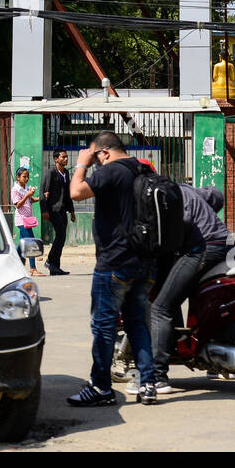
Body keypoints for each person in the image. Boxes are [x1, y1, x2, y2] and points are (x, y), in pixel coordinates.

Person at [66, 131, 156, 406]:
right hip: (144, 262)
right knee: (137, 324)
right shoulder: (143, 169)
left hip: (114, 263)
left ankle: (101, 387)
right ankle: (149, 383)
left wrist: (81, 163)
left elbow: (76, 192)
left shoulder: (111, 171)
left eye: (95, 156)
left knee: (103, 327)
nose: (94, 162)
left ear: (103, 152)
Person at [147, 185, 232, 399]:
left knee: (161, 307)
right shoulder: (185, 189)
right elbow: (216, 194)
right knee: (208, 302)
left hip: (203, 249)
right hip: (228, 245)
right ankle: (218, 362)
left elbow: (181, 223)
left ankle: (157, 377)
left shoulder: (162, 196)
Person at [41, 150, 75, 276]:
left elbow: (68, 194)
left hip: (63, 210)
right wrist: (44, 210)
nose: (66, 159)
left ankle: (55, 268)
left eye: (66, 157)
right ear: (56, 159)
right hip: (53, 209)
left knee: (62, 237)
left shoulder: (65, 173)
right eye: (63, 157)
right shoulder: (50, 172)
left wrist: (72, 211)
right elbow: (42, 192)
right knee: (60, 234)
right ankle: (50, 260)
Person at [11, 167, 41, 276]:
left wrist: (40, 198)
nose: (26, 178)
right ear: (18, 177)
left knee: (22, 244)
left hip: (28, 219)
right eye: (24, 176)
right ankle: (33, 268)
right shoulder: (15, 190)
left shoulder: (26, 187)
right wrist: (27, 195)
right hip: (22, 220)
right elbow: (18, 205)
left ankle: (12, 260)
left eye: (27, 176)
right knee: (31, 242)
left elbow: (30, 200)